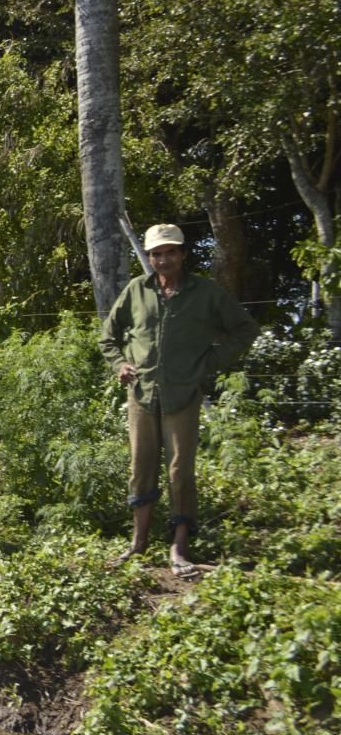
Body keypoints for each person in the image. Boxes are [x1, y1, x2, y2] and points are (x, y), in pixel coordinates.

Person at [99, 223, 259, 574]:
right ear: (149, 256)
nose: (163, 259)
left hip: (183, 393)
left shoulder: (206, 293)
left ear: (183, 254)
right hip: (142, 393)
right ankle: (138, 543)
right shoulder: (136, 291)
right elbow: (108, 337)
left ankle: (179, 548)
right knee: (141, 466)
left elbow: (245, 330)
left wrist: (209, 364)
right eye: (156, 253)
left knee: (179, 469)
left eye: (170, 251)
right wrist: (120, 364)